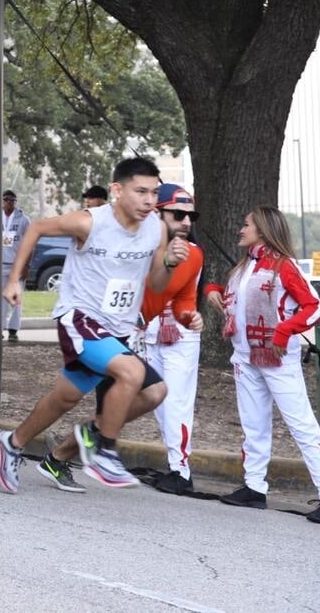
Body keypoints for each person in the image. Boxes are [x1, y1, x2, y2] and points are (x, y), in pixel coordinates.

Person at [0, 157, 173, 493]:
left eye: (154, 192)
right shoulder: (89, 222)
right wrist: (15, 280)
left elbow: (160, 284)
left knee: (143, 393)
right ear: (117, 190)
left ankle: (13, 443)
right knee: (133, 376)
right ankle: (105, 450)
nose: (149, 200)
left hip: (117, 328)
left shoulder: (157, 228)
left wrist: (170, 263)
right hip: (81, 318)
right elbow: (35, 229)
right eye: (141, 191)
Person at [211, 206, 320, 524]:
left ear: (264, 230)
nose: (241, 229)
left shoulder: (284, 266)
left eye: (246, 225)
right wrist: (214, 294)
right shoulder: (243, 268)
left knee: (302, 427)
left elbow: (315, 307)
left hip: (278, 358)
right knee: (253, 427)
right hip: (244, 356)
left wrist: (283, 331)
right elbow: (236, 304)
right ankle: (254, 488)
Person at [140, 184, 204, 495]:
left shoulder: (191, 253)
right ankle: (174, 465)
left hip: (179, 337)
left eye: (191, 216)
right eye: (179, 214)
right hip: (150, 336)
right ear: (158, 214)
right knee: (160, 406)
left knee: (177, 404)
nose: (187, 222)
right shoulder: (145, 247)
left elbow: (161, 290)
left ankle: (181, 470)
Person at [1, 190, 31, 341]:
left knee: (16, 297)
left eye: (12, 200)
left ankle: (13, 330)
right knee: (0, 298)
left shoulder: (24, 220)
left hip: (17, 264)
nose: (8, 202)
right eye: (6, 199)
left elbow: (30, 243)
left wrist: (26, 265)